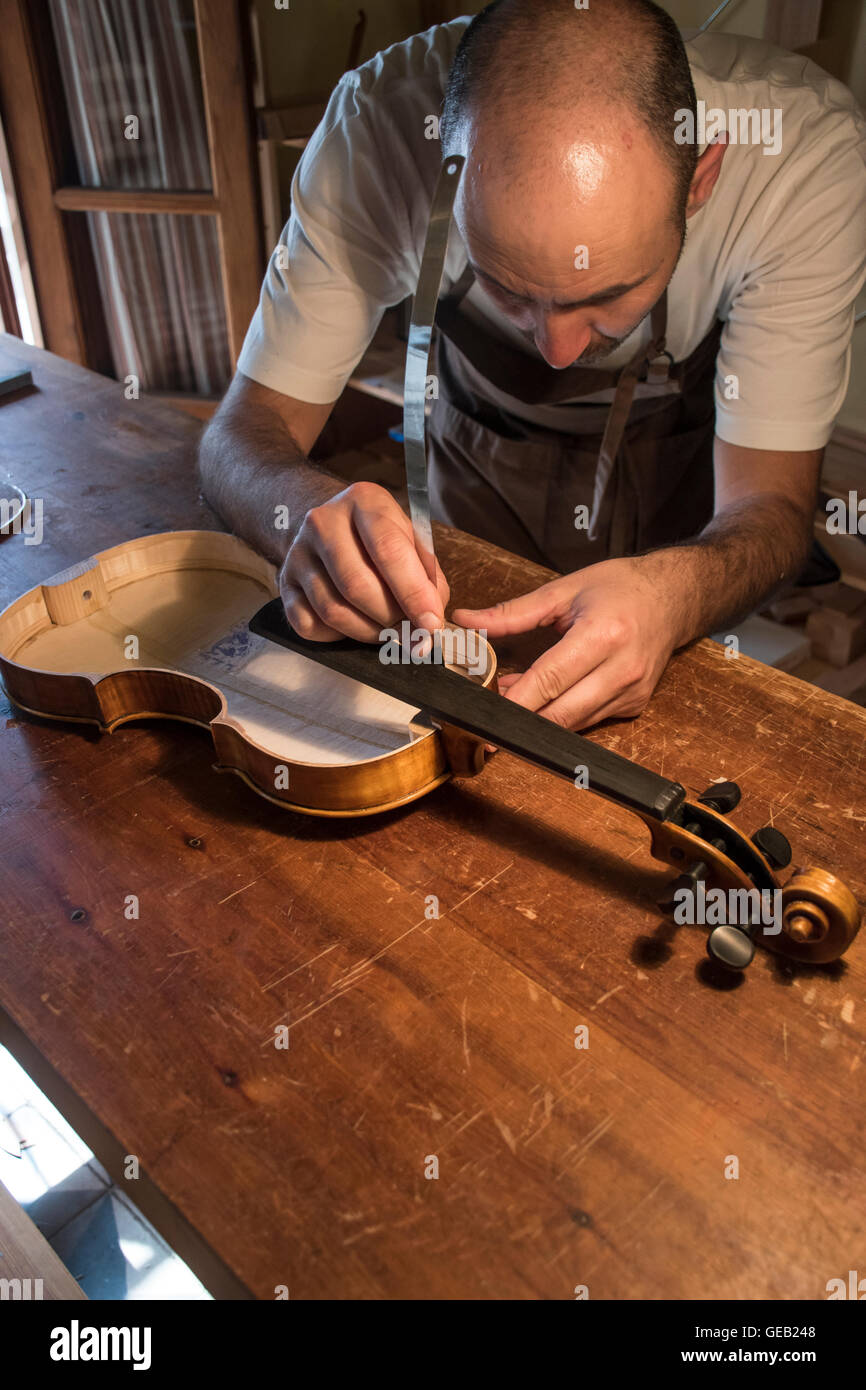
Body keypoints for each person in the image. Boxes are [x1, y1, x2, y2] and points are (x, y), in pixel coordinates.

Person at [198, 0, 866, 730]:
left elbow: (772, 512)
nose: (557, 352)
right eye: (508, 291)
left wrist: (677, 596)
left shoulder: (802, 160)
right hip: (477, 450)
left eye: (609, 297)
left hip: (671, 464)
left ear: (700, 181)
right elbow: (240, 435)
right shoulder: (378, 131)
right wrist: (300, 513)